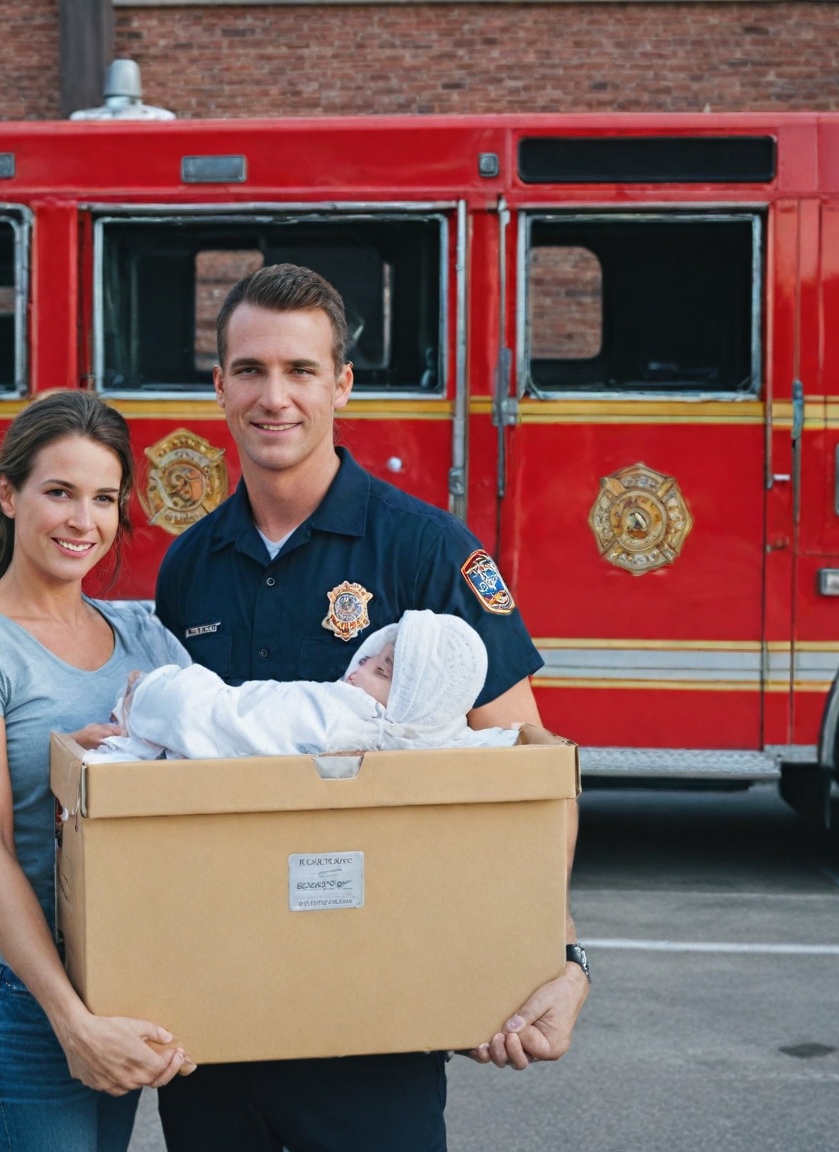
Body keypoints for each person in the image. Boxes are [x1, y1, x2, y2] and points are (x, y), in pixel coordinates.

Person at [153, 264, 591, 1151]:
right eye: (250, 370)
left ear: (341, 385)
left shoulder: (428, 550)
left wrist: (557, 955)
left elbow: (530, 760)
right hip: (212, 1016)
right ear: (220, 387)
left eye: (301, 371)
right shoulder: (188, 565)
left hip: (374, 1023)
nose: (274, 397)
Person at [0, 390, 195, 1152]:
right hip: (31, 1008)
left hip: (125, 985)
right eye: (59, 493)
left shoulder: (147, 635)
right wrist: (73, 1023)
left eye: (103, 499)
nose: (83, 521)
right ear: (8, 495)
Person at [89, 609, 521, 762]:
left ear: (415, 704)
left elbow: (224, 715)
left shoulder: (349, 716)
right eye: (370, 656)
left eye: (384, 672)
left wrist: (146, 691)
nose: (360, 667)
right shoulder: (449, 743)